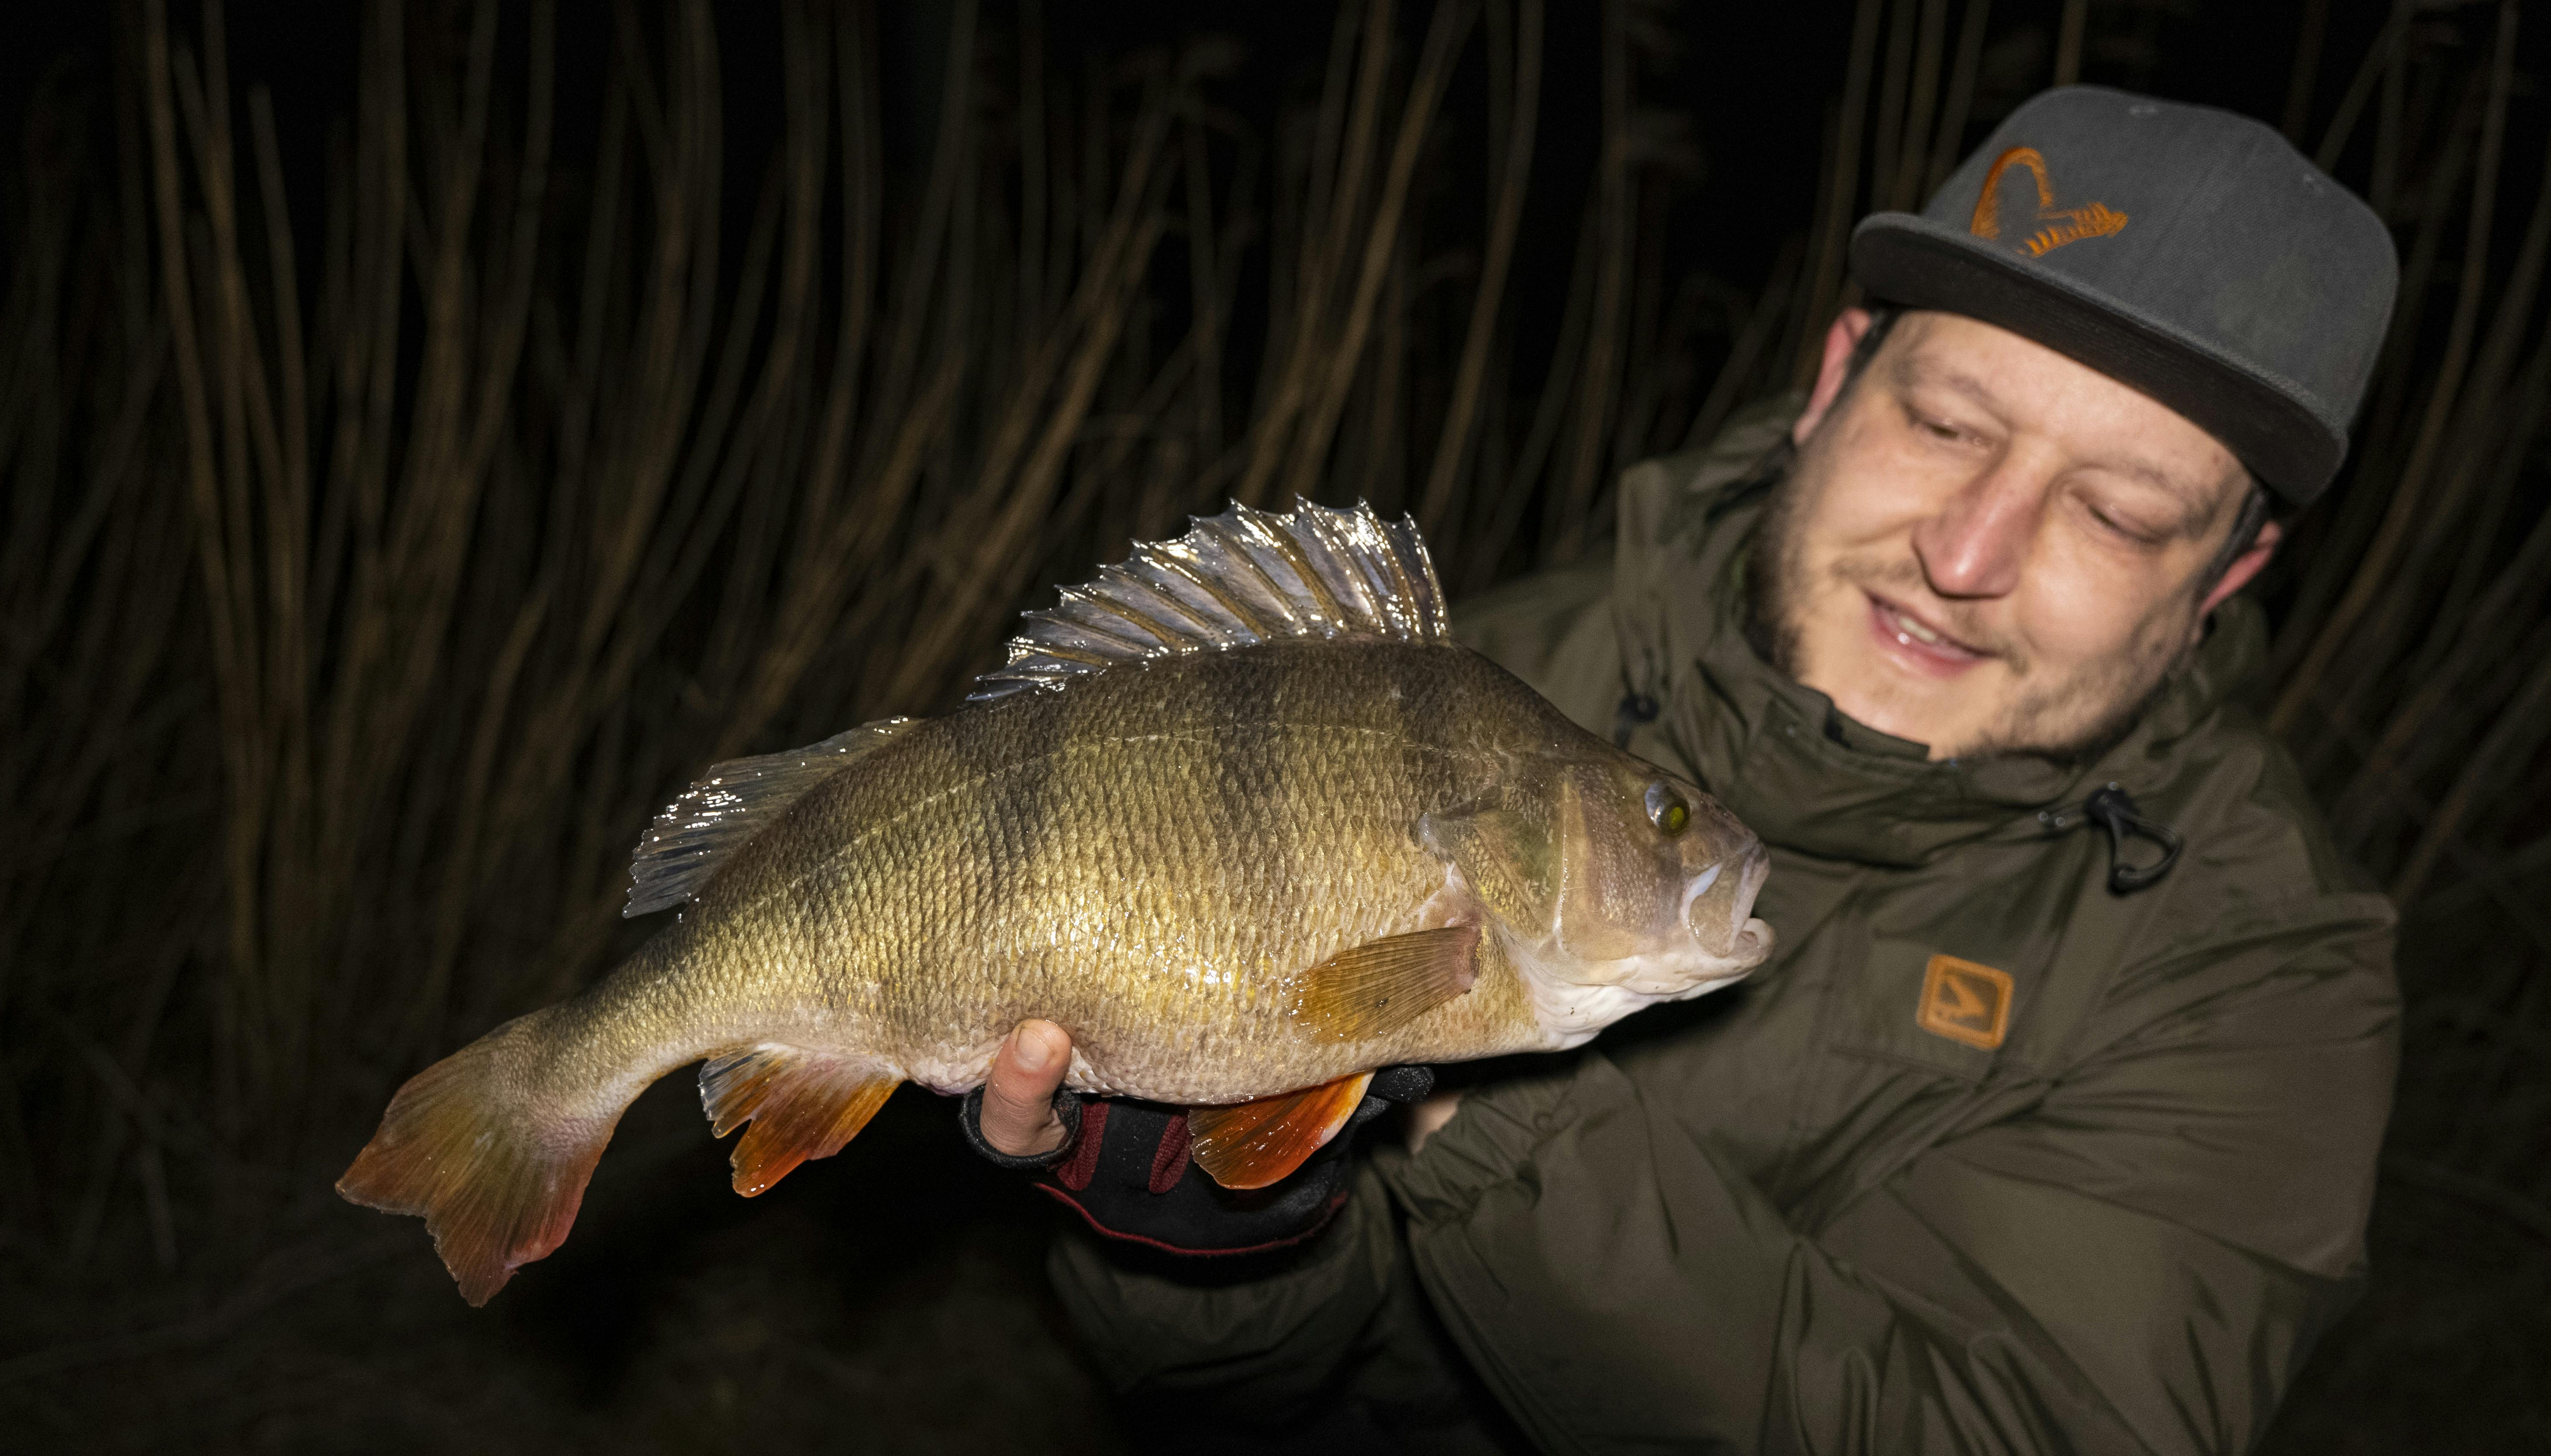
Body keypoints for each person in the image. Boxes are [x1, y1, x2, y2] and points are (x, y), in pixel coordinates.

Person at [969, 86, 2401, 1453]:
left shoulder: (2261, 975)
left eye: (2116, 511)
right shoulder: (1503, 677)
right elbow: (1232, 1402)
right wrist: (1230, 1251)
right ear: (1837, 378)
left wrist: (1486, 1098)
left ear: (2232, 571)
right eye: (1948, 426)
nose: (1967, 556)